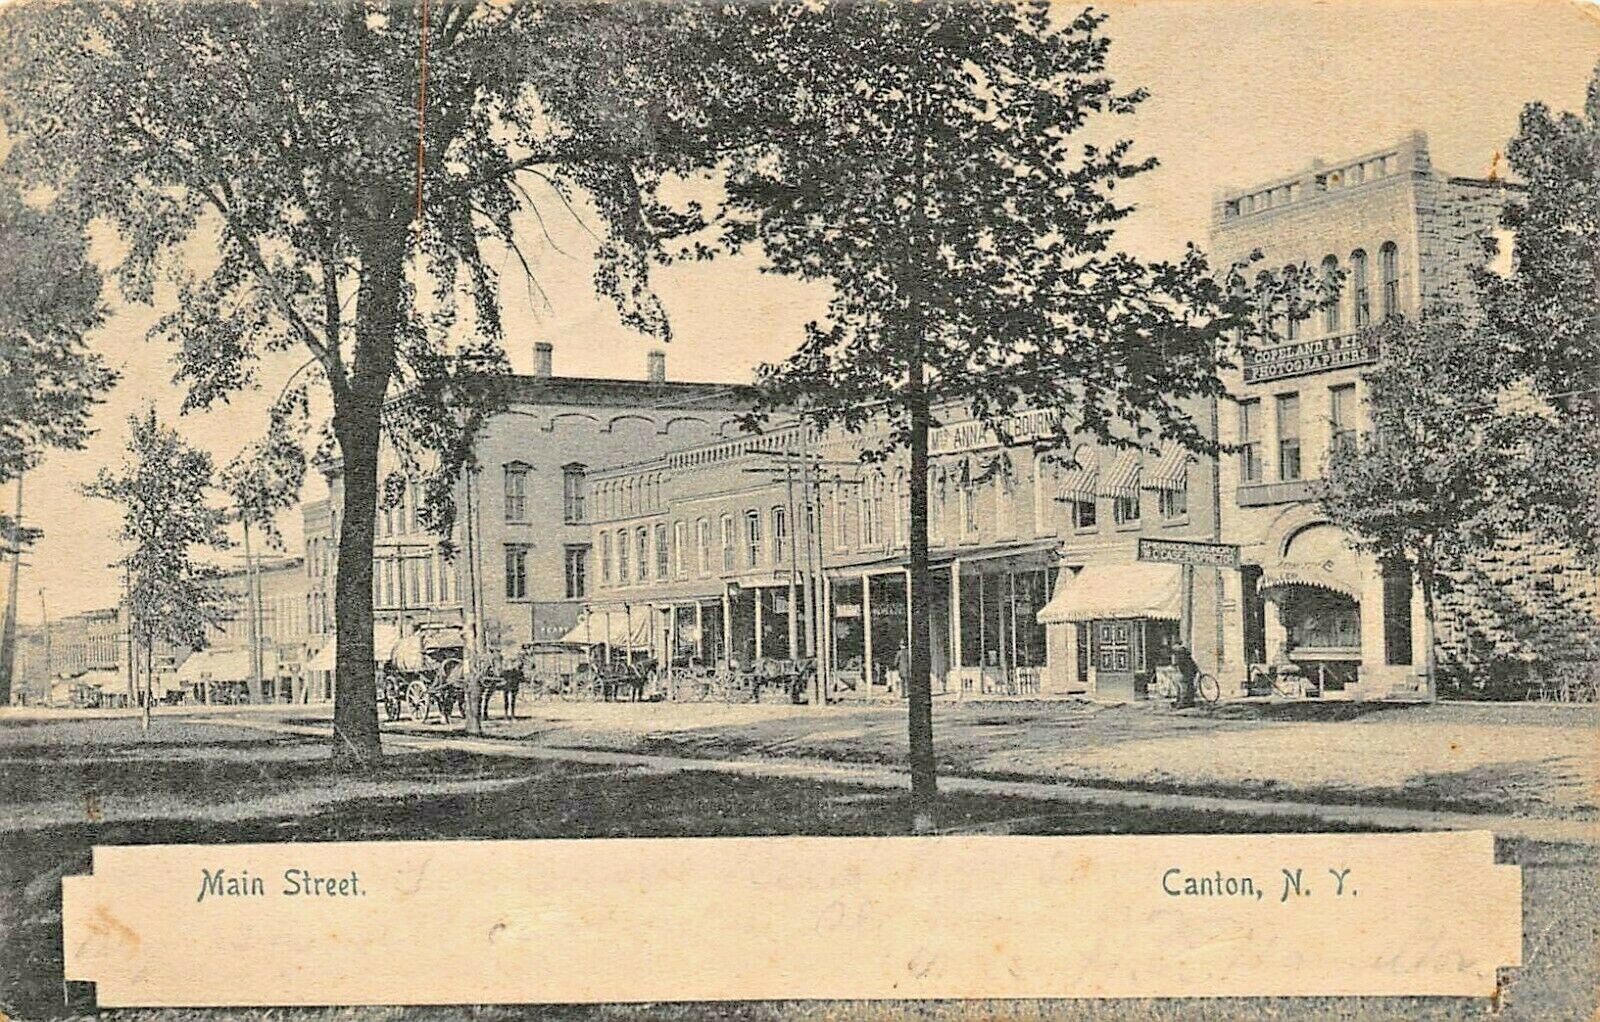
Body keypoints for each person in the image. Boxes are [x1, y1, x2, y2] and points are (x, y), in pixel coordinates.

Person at [1171, 642, 1198, 709]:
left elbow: (1182, 664)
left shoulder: (1181, 653)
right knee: (1188, 686)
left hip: (1186, 672)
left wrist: (1177, 667)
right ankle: (1189, 702)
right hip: (1190, 671)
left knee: (1183, 687)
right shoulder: (1185, 652)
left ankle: (1183, 703)